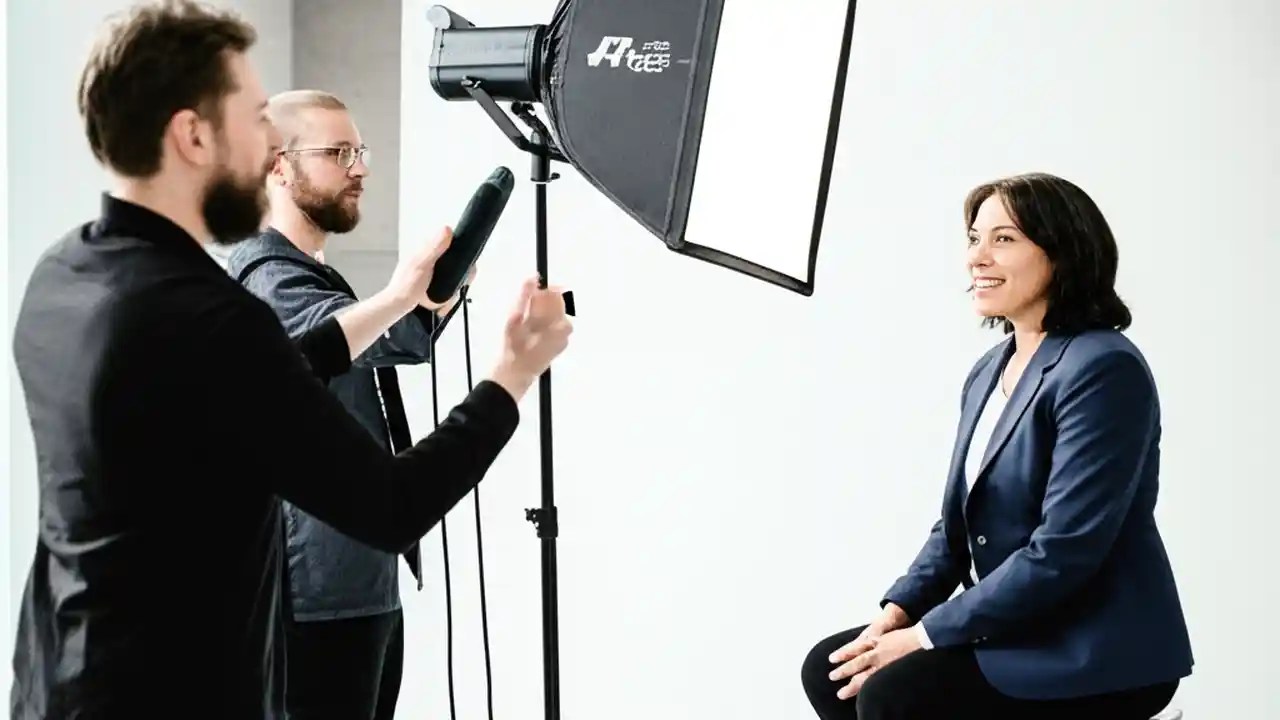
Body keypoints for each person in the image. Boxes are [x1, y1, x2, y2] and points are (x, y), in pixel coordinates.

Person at [8, 2, 572, 718]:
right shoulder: (213, 321)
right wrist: (512, 375)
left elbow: (258, 377)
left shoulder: (62, 276)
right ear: (192, 135)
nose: (269, 148)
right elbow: (393, 506)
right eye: (254, 121)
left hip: (55, 685)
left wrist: (401, 298)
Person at [800, 172, 1193, 719]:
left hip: (1092, 645)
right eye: (973, 239)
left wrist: (925, 637)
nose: (976, 258)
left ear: (1063, 250)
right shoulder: (991, 369)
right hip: (1018, 626)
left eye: (1003, 239)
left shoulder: (1103, 368)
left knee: (895, 693)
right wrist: (899, 611)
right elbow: (956, 525)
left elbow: (1065, 549)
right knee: (832, 671)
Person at [225, 89, 473, 720]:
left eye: (359, 150)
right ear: (278, 165)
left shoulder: (308, 273)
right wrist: (402, 299)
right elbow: (337, 335)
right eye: (339, 152)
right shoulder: (265, 279)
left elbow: (381, 342)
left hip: (360, 582)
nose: (359, 166)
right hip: (317, 598)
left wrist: (428, 300)